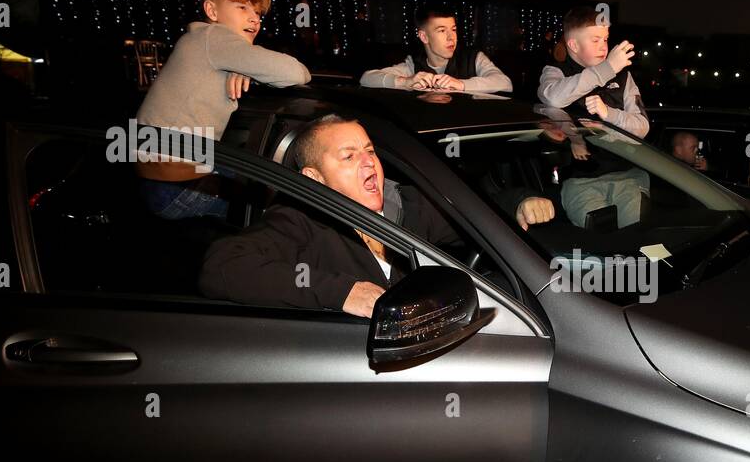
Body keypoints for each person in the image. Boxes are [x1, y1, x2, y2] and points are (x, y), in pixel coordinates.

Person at [199, 115, 553, 316]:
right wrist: (343, 292)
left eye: (369, 151)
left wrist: (518, 202)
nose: (368, 161)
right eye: (349, 156)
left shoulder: (405, 205)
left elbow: (474, 215)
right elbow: (221, 266)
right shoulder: (300, 221)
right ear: (314, 179)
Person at [136, 0, 311, 219]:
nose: (254, 19)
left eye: (258, 13)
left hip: (158, 179)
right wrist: (248, 65)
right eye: (242, 7)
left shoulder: (200, 42)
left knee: (263, 182)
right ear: (213, 11)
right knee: (283, 209)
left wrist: (245, 68)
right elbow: (297, 73)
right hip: (177, 186)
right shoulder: (214, 37)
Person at [537, 7, 650, 227]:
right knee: (598, 244)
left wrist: (609, 114)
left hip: (628, 176)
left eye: (606, 39)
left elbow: (642, 127)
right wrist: (606, 69)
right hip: (581, 181)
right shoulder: (555, 72)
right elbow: (553, 99)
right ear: (574, 45)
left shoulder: (624, 76)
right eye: (595, 40)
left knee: (638, 241)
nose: (604, 46)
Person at [359, 6, 512, 93]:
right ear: (424, 37)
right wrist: (405, 82)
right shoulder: (413, 64)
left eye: (453, 29)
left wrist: (461, 84)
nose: (451, 37)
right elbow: (367, 78)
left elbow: (505, 83)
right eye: (442, 30)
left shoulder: (473, 58)